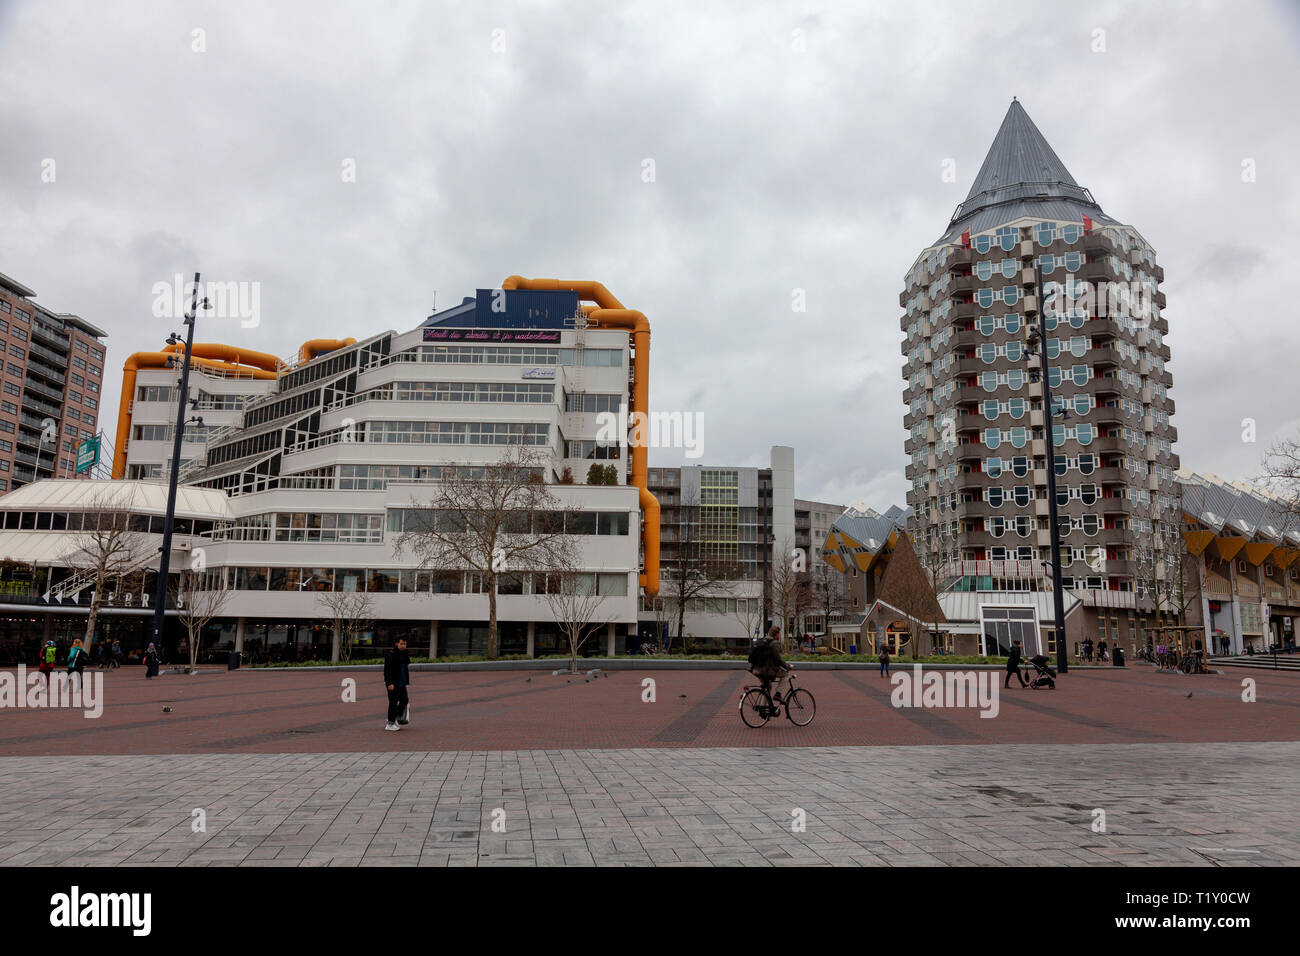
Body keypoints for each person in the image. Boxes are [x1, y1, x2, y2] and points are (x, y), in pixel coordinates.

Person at [747, 626, 792, 701]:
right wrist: (788, 666)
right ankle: (778, 694)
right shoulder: (774, 643)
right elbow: (778, 660)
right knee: (786, 675)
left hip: (755, 669)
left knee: (768, 687)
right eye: (779, 634)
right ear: (776, 634)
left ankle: (762, 709)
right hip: (765, 671)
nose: (780, 636)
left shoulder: (762, 640)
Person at [383, 638, 411, 731]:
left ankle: (394, 717)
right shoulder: (390, 655)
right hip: (393, 683)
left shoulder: (405, 654)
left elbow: (405, 668)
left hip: (401, 682)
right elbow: (387, 671)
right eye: (401, 643)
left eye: (405, 644)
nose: (403, 646)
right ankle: (390, 724)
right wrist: (389, 683)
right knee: (393, 702)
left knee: (405, 700)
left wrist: (406, 681)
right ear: (396, 644)